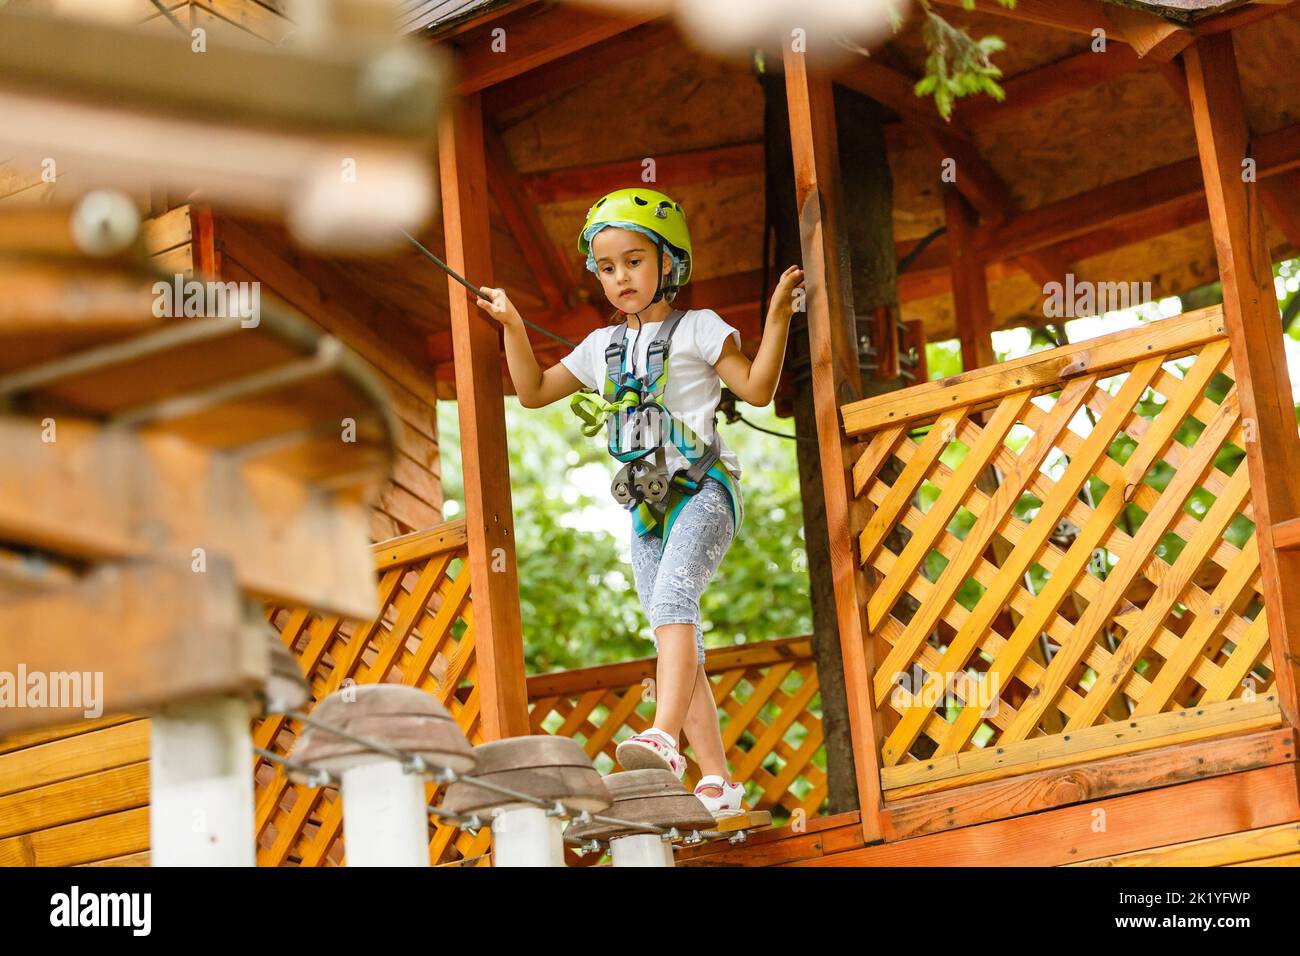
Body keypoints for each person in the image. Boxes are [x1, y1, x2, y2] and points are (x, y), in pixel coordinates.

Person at [473, 186, 802, 817]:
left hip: (703, 490)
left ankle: (664, 739)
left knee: (675, 603)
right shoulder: (601, 348)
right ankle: (718, 781)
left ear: (668, 264)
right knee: (673, 632)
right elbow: (535, 391)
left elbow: (758, 390)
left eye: (633, 261)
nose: (619, 277)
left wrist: (780, 317)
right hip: (642, 507)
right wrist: (514, 327)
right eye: (606, 267)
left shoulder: (700, 329)